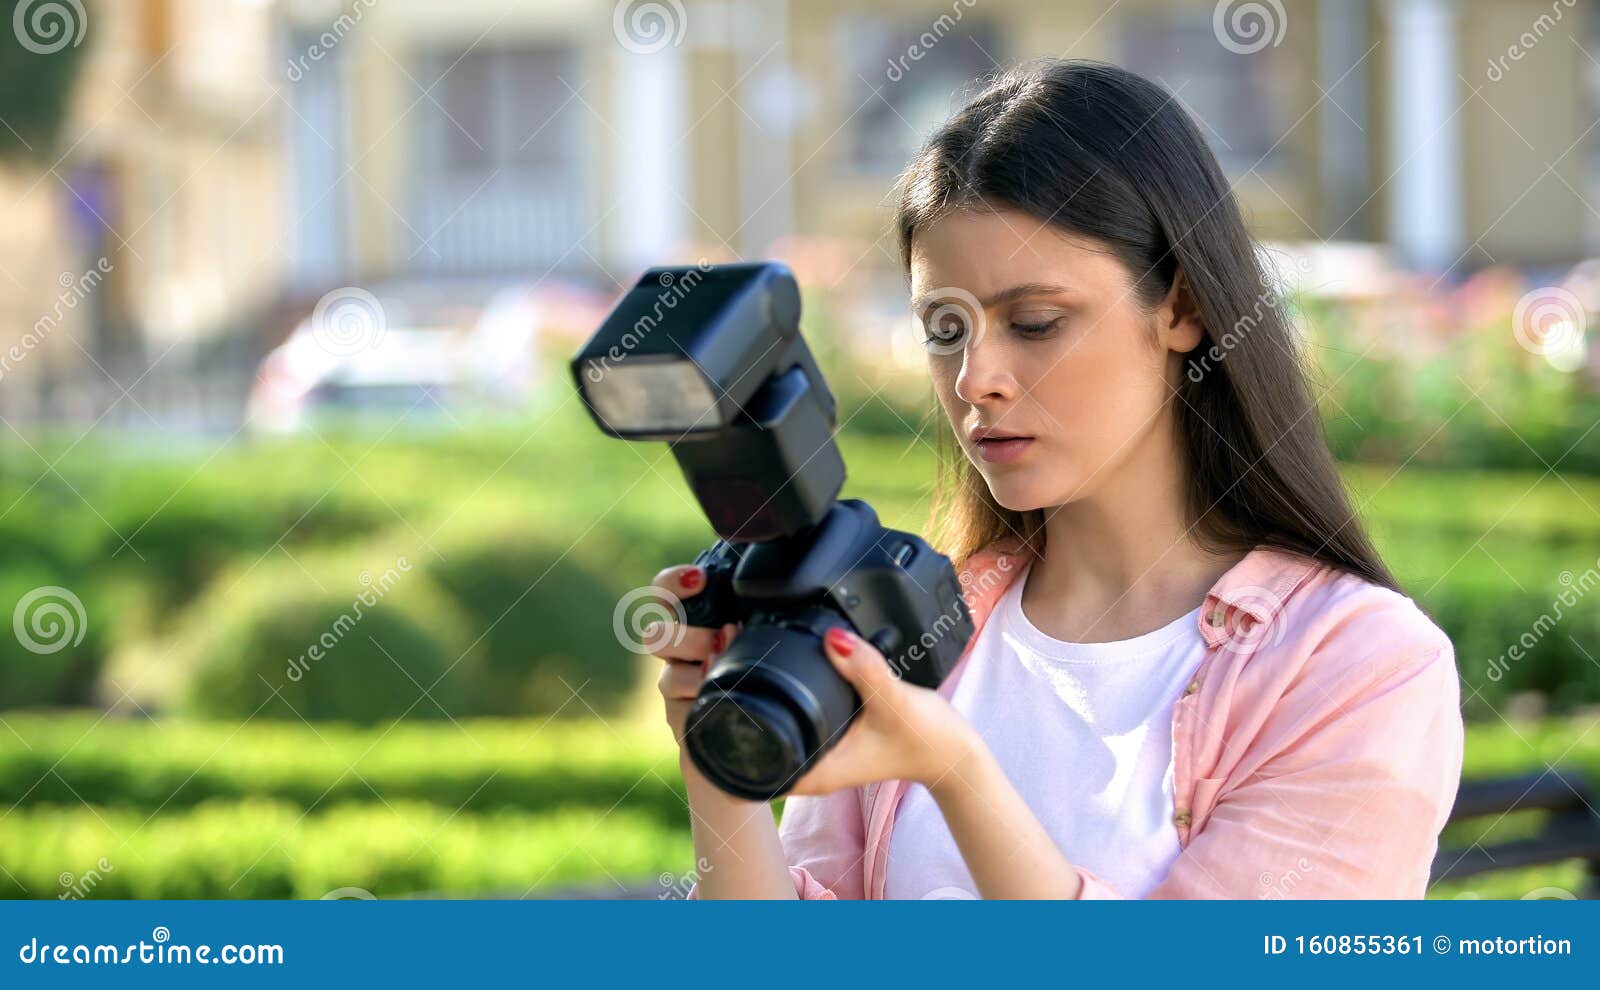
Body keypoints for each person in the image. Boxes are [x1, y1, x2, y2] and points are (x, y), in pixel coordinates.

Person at [649, 59, 1463, 900]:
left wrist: (957, 772)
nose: (975, 379)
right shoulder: (907, 626)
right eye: (943, 328)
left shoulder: (1357, 666)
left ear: (1182, 309)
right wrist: (721, 753)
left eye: (1035, 322)